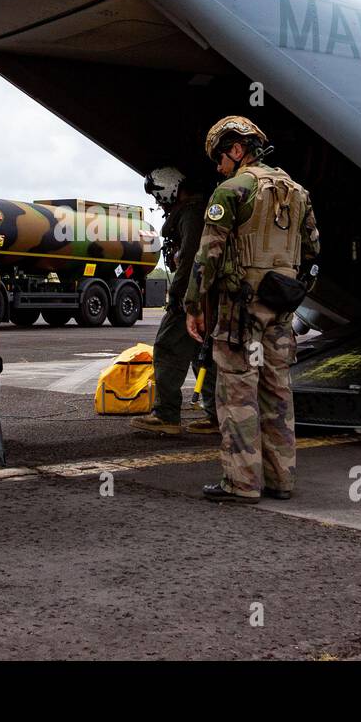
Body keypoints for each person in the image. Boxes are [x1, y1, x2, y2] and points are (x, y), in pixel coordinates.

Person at [184, 116, 319, 503]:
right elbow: (313, 255)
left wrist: (194, 305)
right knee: (277, 391)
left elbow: (207, 256)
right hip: (280, 309)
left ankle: (241, 483)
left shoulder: (231, 190)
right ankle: (281, 480)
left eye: (220, 157)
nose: (218, 166)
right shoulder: (298, 192)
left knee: (237, 392)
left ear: (237, 149)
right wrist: (291, 293)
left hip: (239, 312)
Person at [131, 166, 217, 436]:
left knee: (167, 347)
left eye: (158, 194)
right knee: (202, 355)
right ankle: (217, 416)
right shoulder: (197, 211)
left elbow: (191, 258)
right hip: (204, 296)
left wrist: (180, 296)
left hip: (190, 298)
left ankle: (166, 415)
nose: (158, 201)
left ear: (170, 188)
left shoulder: (191, 214)